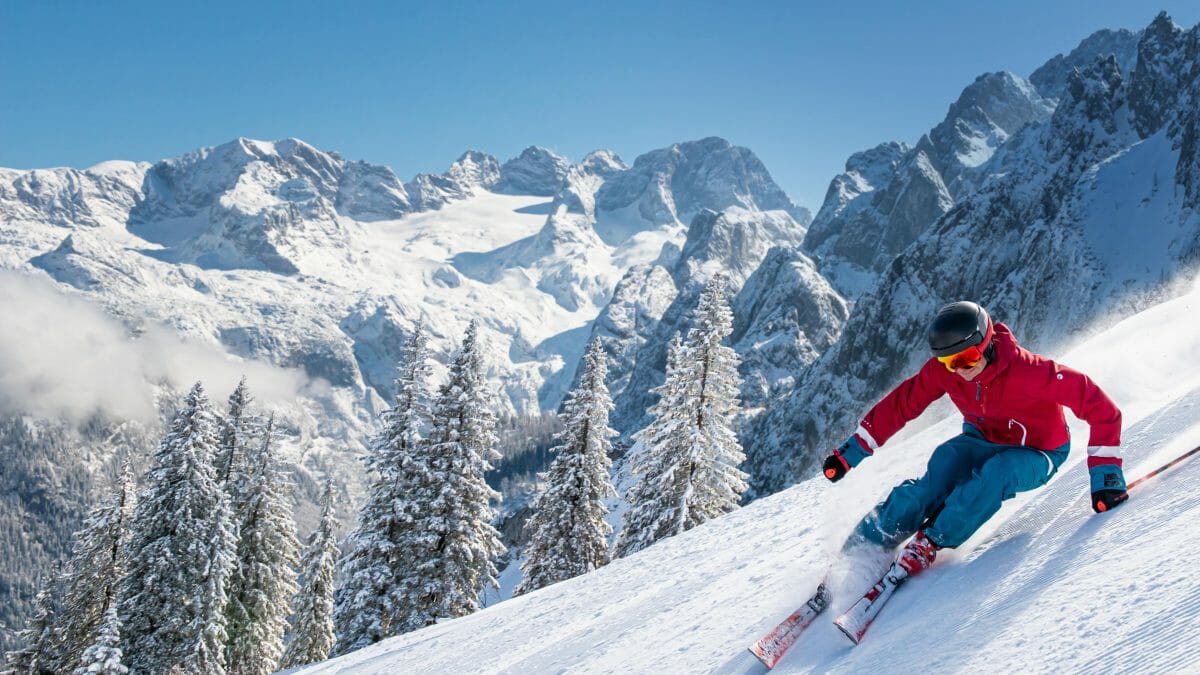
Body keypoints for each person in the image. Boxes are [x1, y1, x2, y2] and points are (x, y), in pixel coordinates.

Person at [821, 301, 1127, 576]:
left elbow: (1099, 406)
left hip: (1037, 451)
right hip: (981, 440)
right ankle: (865, 546)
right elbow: (903, 403)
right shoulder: (949, 372)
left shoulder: (1029, 371)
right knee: (941, 468)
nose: (959, 370)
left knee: (995, 474)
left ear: (987, 343)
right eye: (948, 362)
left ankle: (932, 541)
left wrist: (1106, 476)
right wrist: (851, 452)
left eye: (966, 359)